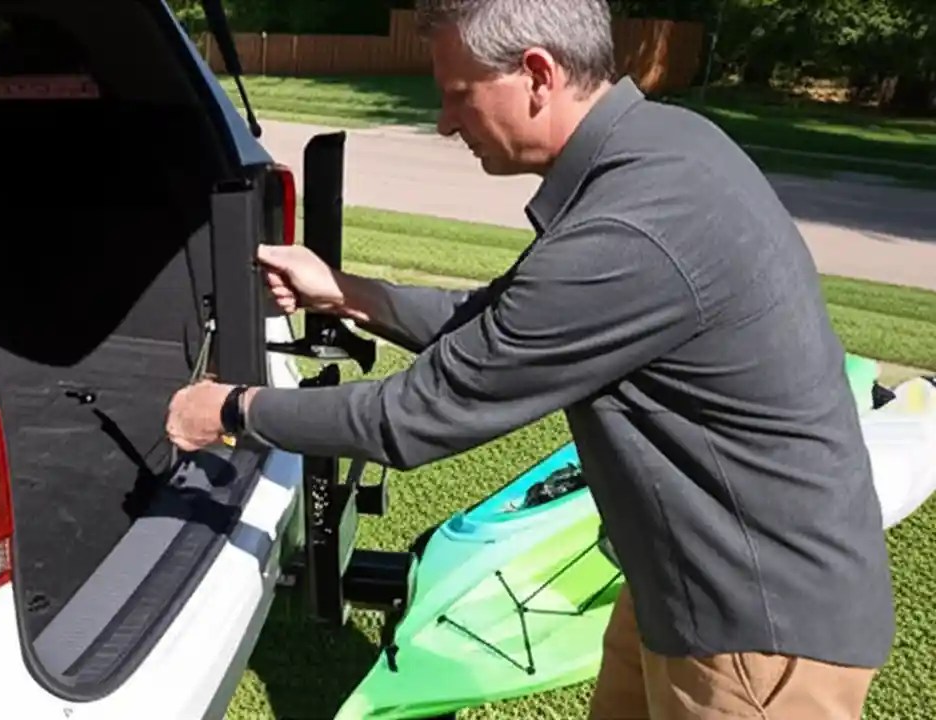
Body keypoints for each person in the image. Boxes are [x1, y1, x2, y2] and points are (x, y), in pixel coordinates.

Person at [165, 0, 895, 717]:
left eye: (458, 96)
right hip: (685, 588)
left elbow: (413, 418)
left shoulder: (630, 230)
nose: (446, 122)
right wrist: (349, 294)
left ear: (537, 74)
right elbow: (509, 319)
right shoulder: (662, 147)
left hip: (756, 634)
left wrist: (232, 409)